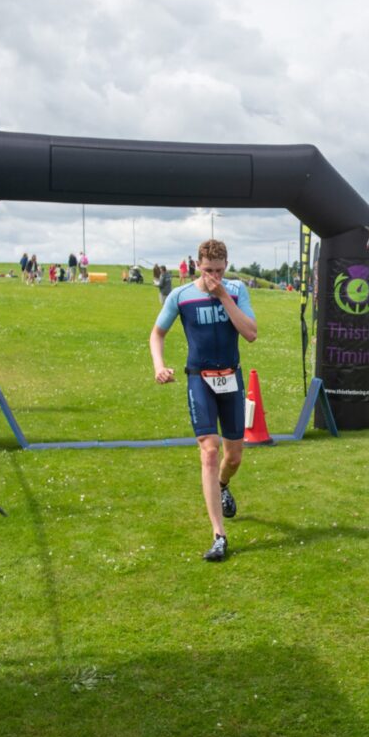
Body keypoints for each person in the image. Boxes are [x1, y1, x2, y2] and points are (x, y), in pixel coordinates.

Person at [150, 239, 257, 562]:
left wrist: (223, 296)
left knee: (233, 456)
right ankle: (219, 535)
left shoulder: (235, 291)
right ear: (197, 265)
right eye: (209, 271)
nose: (214, 277)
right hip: (199, 379)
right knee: (209, 452)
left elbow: (251, 333)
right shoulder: (181, 296)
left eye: (220, 271)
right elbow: (157, 333)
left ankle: (223, 485)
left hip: (230, 378)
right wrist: (159, 366)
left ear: (227, 267)